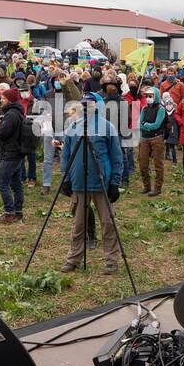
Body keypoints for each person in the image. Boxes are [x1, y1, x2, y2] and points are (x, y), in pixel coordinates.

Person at [59, 96, 123, 272]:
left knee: (108, 223)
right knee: (78, 224)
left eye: (90, 104)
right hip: (79, 182)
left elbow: (117, 156)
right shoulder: (72, 127)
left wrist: (115, 182)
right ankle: (74, 258)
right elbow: (66, 155)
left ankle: (111, 260)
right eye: (83, 104)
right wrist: (65, 178)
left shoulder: (107, 127)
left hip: (102, 183)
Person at [0, 88, 26, 222]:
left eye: (3, 98)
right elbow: (12, 130)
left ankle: (9, 213)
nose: (1, 100)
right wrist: (1, 124)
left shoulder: (11, 114)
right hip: (18, 153)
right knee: (16, 183)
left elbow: (3, 134)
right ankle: (18, 211)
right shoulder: (18, 112)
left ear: (10, 100)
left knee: (2, 183)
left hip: (10, 153)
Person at [136, 85, 167, 197]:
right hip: (144, 138)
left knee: (158, 164)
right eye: (147, 96)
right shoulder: (144, 108)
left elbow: (156, 125)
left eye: (151, 95)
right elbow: (139, 124)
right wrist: (147, 126)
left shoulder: (161, 109)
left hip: (156, 138)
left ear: (156, 96)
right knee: (143, 163)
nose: (148, 97)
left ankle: (157, 188)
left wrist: (146, 125)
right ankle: (147, 186)